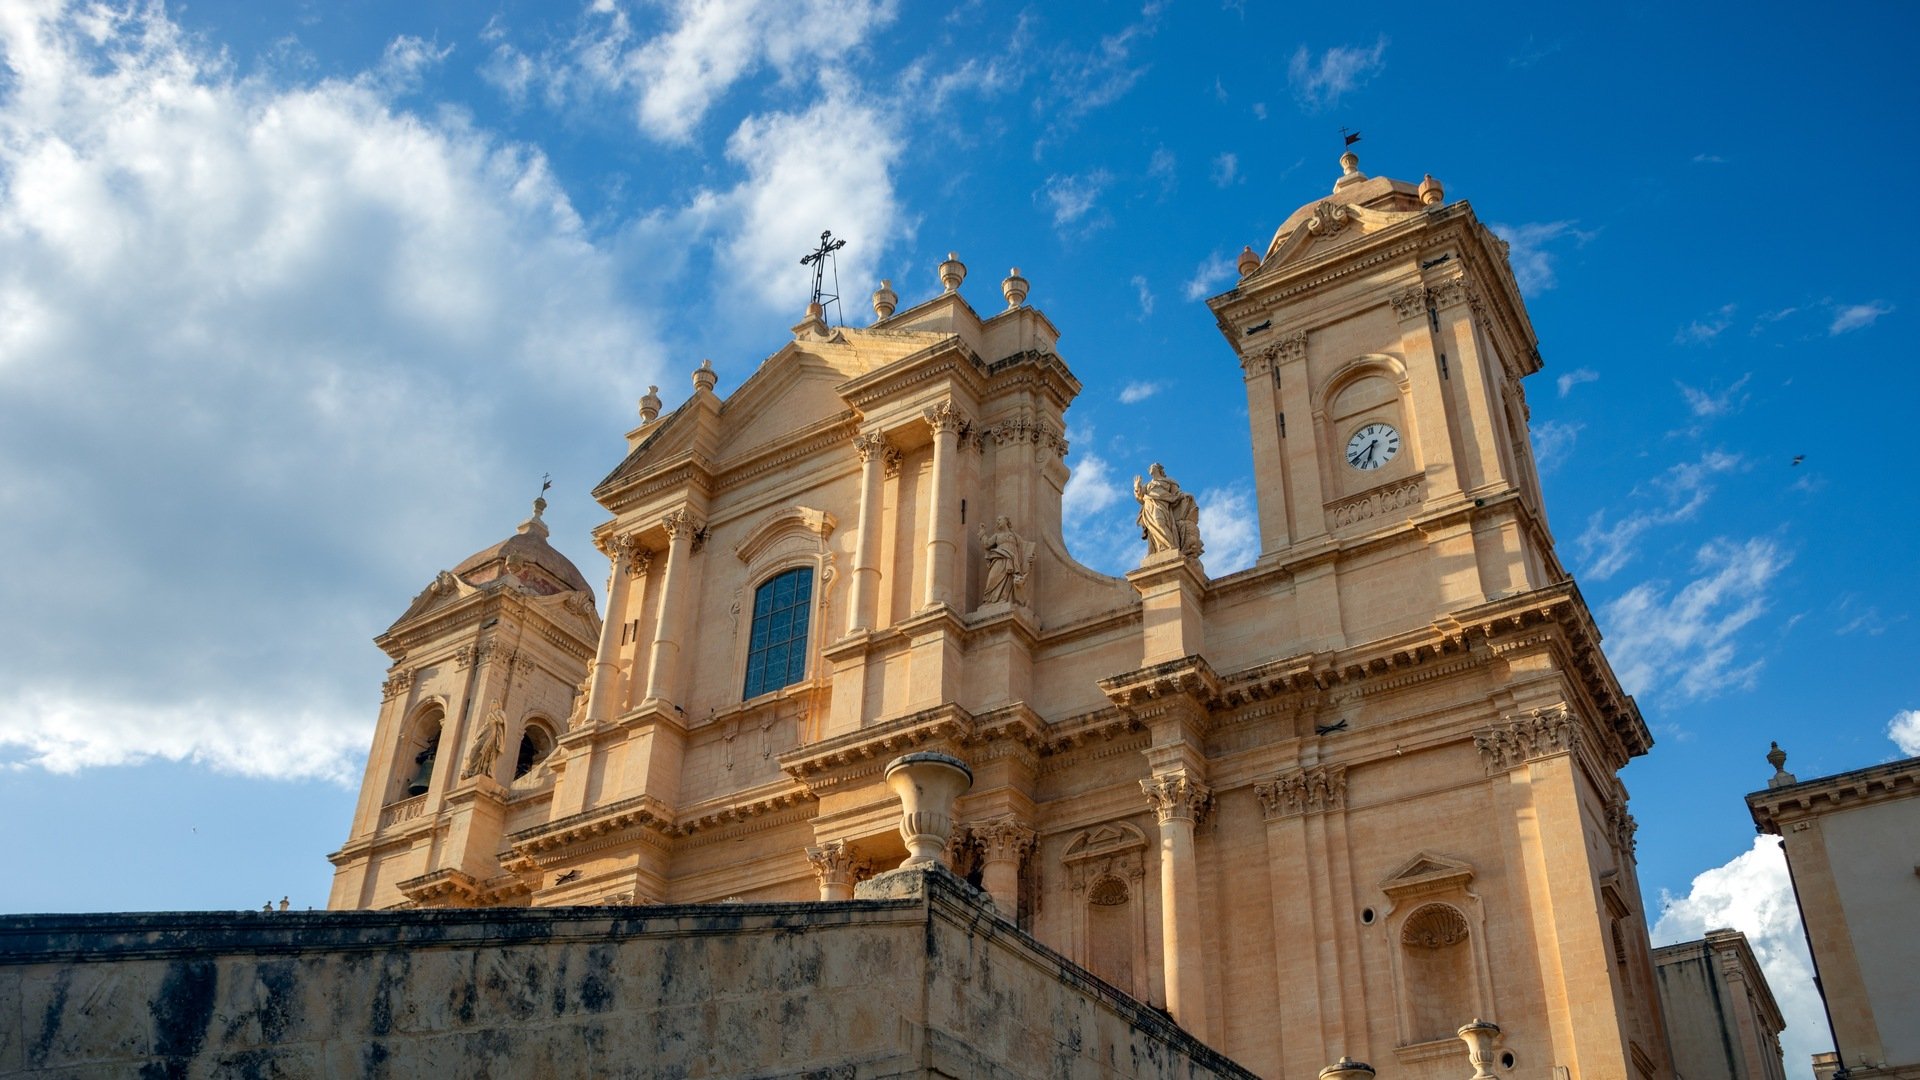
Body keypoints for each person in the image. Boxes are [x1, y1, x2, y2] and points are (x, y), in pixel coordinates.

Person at [1133, 463, 1203, 559]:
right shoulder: (1148, 485)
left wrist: (1185, 496)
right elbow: (1140, 498)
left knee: (1160, 524)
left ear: (1158, 469)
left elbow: (1176, 494)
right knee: (1152, 530)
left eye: (1152, 466)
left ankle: (1170, 547)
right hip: (1149, 506)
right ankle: (1158, 550)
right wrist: (1137, 487)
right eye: (1149, 467)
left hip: (1162, 506)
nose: (1150, 468)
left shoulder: (1169, 481)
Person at [978, 516, 1030, 605]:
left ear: (1006, 521)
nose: (997, 522)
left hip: (1011, 560)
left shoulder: (1015, 536)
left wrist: (1030, 557)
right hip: (998, 558)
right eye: (996, 520)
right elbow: (987, 544)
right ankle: (989, 600)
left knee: (1008, 580)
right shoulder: (996, 536)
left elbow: (1024, 549)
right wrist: (982, 533)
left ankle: (1003, 599)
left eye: (999, 519)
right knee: (992, 578)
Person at [462, 700, 507, 779]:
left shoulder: (500, 712)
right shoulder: (490, 713)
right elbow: (486, 724)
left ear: (498, 704)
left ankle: (476, 771)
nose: (492, 703)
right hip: (484, 732)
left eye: (494, 702)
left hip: (491, 734)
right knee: (474, 750)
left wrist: (492, 713)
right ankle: (471, 771)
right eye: (492, 702)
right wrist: (478, 734)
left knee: (483, 752)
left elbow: (501, 721)